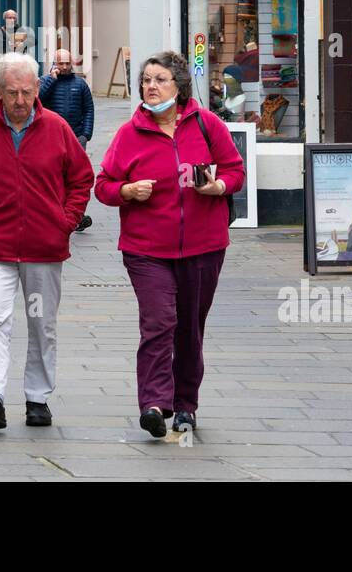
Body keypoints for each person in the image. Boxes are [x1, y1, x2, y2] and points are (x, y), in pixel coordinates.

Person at [94, 50, 245, 438]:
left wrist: (218, 186)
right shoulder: (130, 133)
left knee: (189, 329)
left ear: (178, 87)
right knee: (158, 323)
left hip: (204, 246)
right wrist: (126, 190)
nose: (151, 86)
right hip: (146, 249)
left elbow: (235, 170)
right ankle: (153, 404)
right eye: (146, 79)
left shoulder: (208, 125)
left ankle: (185, 406)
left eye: (159, 79)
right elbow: (103, 185)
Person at [0, 52, 93, 430]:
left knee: (41, 321)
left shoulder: (57, 128)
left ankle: (37, 397)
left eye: (27, 92)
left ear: (36, 89)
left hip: (44, 247)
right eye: (12, 92)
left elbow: (81, 178)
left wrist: (65, 221)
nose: (20, 101)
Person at [39, 48, 96, 231]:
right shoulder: (46, 82)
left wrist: (85, 135)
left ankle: (75, 214)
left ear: (72, 63)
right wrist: (51, 80)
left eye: (67, 63)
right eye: (60, 63)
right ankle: (57, 212)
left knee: (76, 178)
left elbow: (88, 110)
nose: (64, 67)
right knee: (53, 177)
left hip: (76, 138)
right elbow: (37, 101)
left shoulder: (80, 84)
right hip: (51, 139)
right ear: (54, 63)